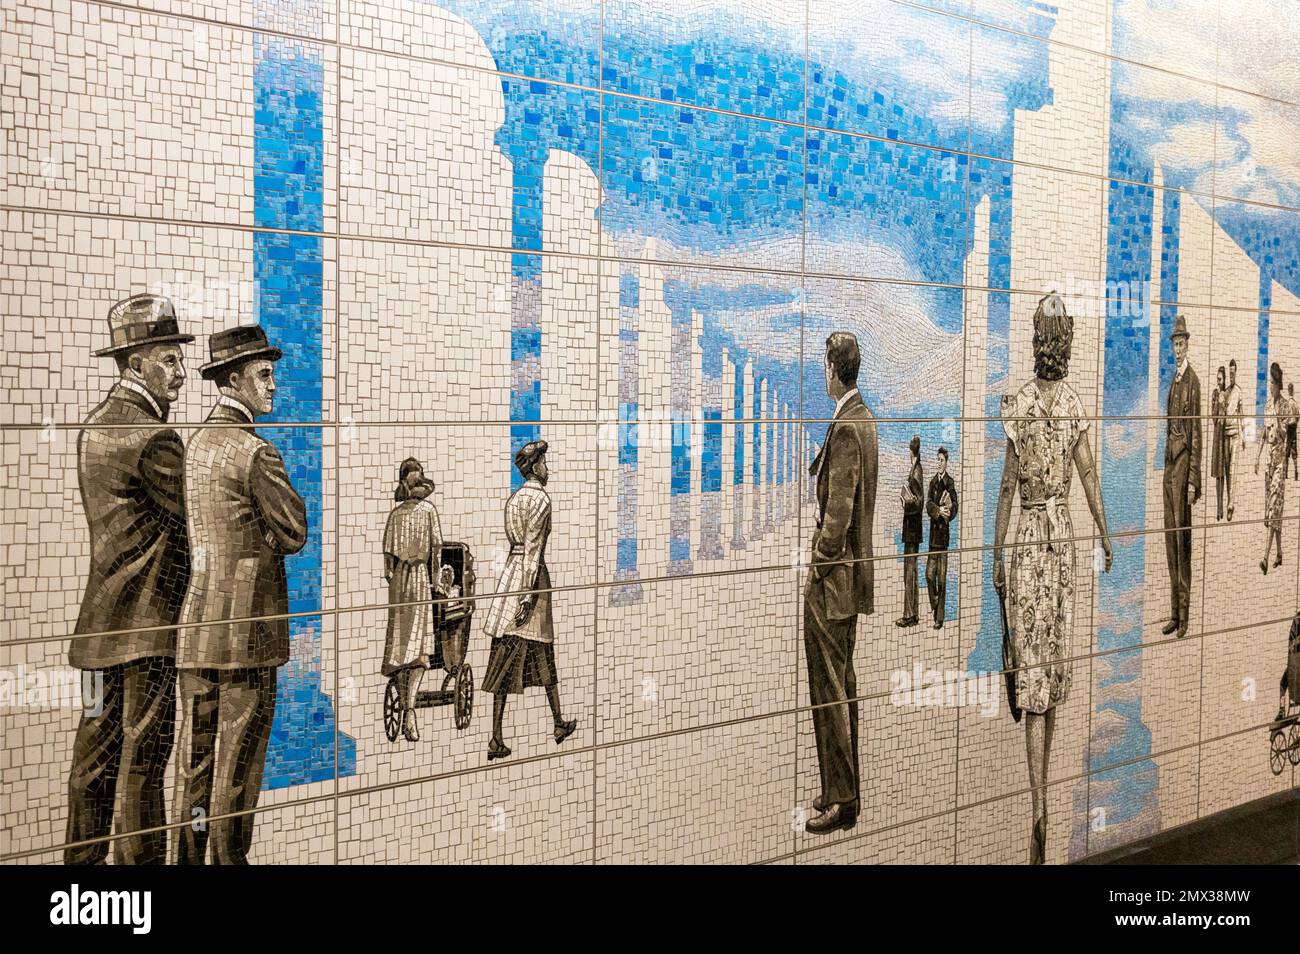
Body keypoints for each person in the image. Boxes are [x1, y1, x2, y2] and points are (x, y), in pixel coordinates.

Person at [65, 294, 193, 865]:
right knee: (144, 761)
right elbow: (193, 527)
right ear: (135, 363)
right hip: (149, 631)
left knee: (93, 762)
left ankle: (80, 879)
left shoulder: (94, 428)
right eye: (169, 359)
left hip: (98, 630)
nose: (182, 374)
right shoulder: (155, 439)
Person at [173, 325, 308, 865]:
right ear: (235, 380)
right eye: (264, 375)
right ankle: (228, 860)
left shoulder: (196, 446)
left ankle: (185, 858)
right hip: (247, 632)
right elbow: (295, 530)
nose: (274, 386)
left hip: (197, 625)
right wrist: (268, 535)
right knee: (237, 764)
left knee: (195, 761)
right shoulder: (255, 453)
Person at [994, 292, 1112, 865]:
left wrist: (995, 551)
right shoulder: (1067, 404)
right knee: (1046, 673)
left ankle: (1039, 802)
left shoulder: (1027, 404)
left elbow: (1007, 487)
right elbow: (1086, 473)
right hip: (1056, 540)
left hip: (1036, 538)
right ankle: (1039, 804)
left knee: (1039, 675)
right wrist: (1105, 531)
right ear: (1062, 341)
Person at [804, 332, 878, 835]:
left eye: (824, 365)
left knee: (829, 688)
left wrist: (816, 561)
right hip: (850, 580)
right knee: (842, 684)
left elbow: (839, 513)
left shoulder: (848, 426)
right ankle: (841, 790)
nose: (823, 373)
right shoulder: (862, 418)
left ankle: (842, 799)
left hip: (833, 582)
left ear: (834, 368)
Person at [481, 440, 576, 760]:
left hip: (511, 572)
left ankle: (509, 733)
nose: (548, 469)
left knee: (508, 657)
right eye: (545, 464)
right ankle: (554, 723)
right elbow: (534, 548)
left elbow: (519, 543)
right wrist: (526, 595)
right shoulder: (541, 499)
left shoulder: (515, 500)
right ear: (535, 467)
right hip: (530, 581)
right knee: (537, 653)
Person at [382, 458, 451, 742]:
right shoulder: (423, 512)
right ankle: (409, 712)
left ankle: (408, 709)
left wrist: (399, 576)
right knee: (416, 648)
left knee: (402, 647)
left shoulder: (399, 515)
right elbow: (436, 551)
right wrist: (435, 582)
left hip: (401, 581)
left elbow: (387, 563)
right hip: (418, 580)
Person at [1162, 314, 1201, 639]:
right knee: (1169, 542)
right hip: (1169, 469)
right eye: (1174, 344)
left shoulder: (1193, 381)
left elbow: (1197, 432)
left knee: (1183, 543)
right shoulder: (1173, 382)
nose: (1177, 349)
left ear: (1188, 344)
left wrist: (1193, 480)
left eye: (1181, 343)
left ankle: (1185, 615)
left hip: (1184, 465)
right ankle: (1174, 613)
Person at [1255, 362, 1293, 575]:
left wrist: (1280, 424)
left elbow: (1287, 437)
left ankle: (1265, 557)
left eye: (1272, 382)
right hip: (1269, 463)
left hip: (1280, 466)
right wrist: (1258, 457)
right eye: (1268, 382)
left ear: (1278, 384)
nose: (1269, 386)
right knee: (1274, 510)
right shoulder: (1268, 406)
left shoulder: (1285, 407)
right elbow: (1263, 433)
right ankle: (1279, 552)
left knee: (1272, 510)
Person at [925, 446, 958, 630]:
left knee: (942, 579)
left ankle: (939, 618)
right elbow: (928, 504)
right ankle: (935, 601)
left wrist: (948, 512)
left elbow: (955, 506)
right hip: (933, 538)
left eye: (942, 460)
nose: (939, 463)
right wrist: (938, 511)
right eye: (937, 460)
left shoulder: (950, 483)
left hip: (943, 538)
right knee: (930, 575)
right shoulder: (932, 482)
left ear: (946, 462)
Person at [897, 435, 923, 628]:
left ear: (910, 452)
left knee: (909, 572)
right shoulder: (915, 470)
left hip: (912, 529)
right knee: (911, 571)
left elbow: (918, 502)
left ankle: (909, 615)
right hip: (912, 529)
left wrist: (906, 501)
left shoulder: (916, 472)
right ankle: (912, 613)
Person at [1223, 359, 1244, 519]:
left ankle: (1231, 504)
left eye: (1233, 372)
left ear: (1236, 373)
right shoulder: (1225, 392)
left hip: (1236, 435)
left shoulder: (1238, 391)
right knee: (1227, 471)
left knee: (1233, 468)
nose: (1231, 375)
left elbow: (1242, 415)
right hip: (1225, 435)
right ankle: (1229, 500)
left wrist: (1245, 437)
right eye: (1229, 372)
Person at [1211, 366, 1229, 521]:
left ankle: (1226, 506)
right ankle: (1219, 508)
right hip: (1218, 437)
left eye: (1220, 379)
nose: (1218, 382)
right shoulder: (1215, 394)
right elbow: (1214, 419)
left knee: (1226, 474)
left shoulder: (1228, 394)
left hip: (1227, 437)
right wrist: (1218, 403)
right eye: (1217, 379)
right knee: (1218, 475)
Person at [1278, 612, 1300, 722]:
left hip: (1294, 665)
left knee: (1283, 683)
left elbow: (1291, 643)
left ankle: (1282, 710)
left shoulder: (1296, 619)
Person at [1288, 382, 1298, 480]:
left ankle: (1286, 473)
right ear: (1293, 391)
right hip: (1294, 427)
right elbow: (1298, 416)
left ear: (1288, 391)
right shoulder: (1295, 403)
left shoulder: (1287, 403)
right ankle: (1296, 471)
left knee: (1287, 449)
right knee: (1294, 449)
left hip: (1288, 428)